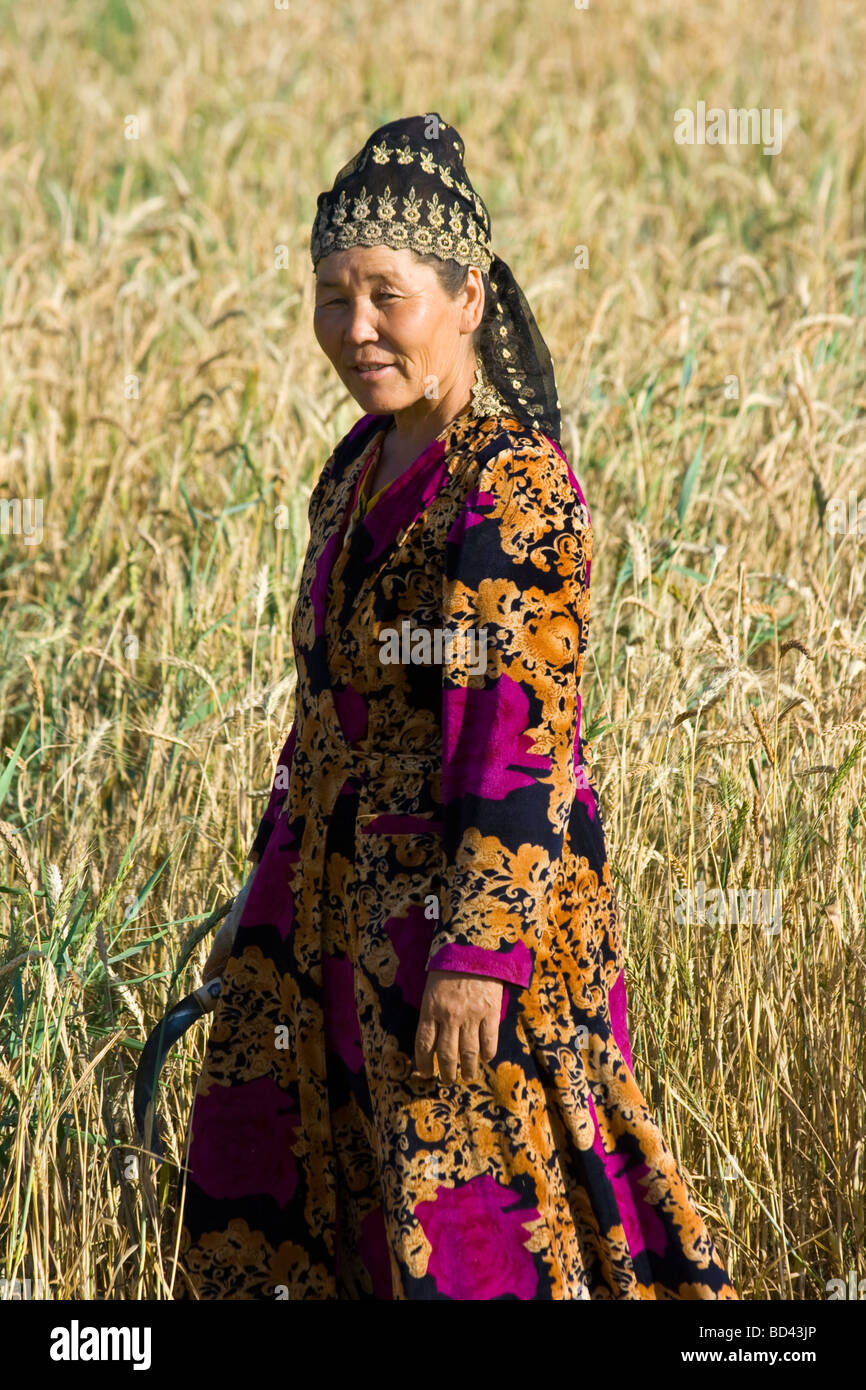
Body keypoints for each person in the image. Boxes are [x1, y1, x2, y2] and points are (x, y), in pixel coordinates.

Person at [175, 112, 737, 1300]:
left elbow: (517, 738)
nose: (354, 327)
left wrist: (477, 953)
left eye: (386, 292)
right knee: (338, 1215)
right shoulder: (354, 466)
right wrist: (262, 893)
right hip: (333, 918)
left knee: (481, 1227)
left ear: (468, 295)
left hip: (461, 942)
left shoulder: (511, 485)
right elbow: (318, 712)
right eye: (331, 295)